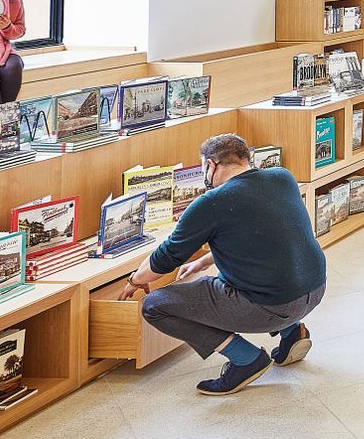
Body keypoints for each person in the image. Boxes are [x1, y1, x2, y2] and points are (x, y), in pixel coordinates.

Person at [127, 132, 328, 395]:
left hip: (272, 305)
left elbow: (167, 257)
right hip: (313, 292)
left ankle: (246, 359)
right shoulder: (282, 177)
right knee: (259, 274)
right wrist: (202, 262)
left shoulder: (213, 201)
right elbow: (265, 237)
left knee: (154, 306)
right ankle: (292, 334)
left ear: (210, 165)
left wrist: (134, 280)